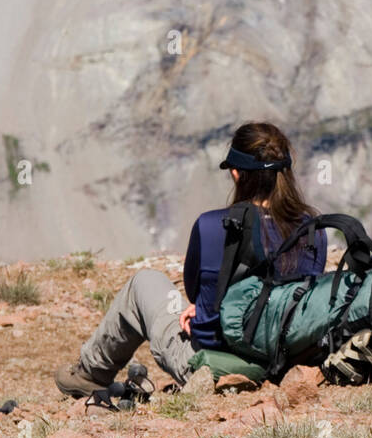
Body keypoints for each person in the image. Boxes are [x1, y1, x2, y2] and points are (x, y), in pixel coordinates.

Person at [54, 122, 326, 397]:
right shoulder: (312, 228)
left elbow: (196, 291)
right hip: (282, 358)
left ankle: (91, 374)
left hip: (208, 364)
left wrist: (209, 309)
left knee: (145, 282)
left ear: (236, 174)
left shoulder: (211, 225)